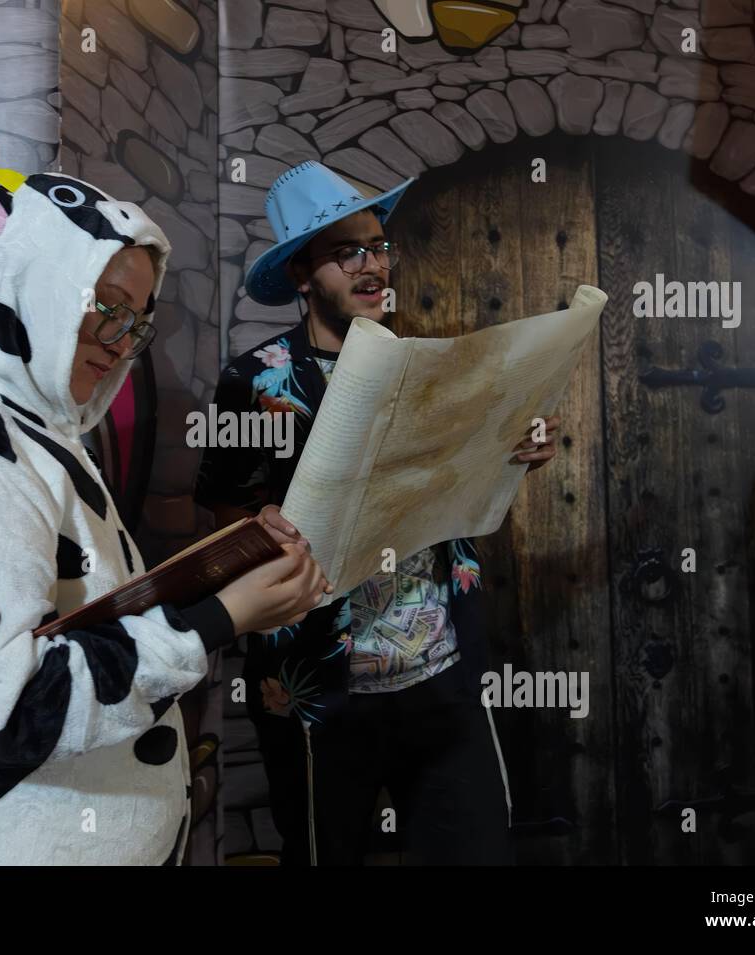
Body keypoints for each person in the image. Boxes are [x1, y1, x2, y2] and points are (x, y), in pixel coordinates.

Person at [0, 171, 328, 865]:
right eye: (106, 306)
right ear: (26, 278)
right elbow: (2, 711)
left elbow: (81, 616)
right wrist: (215, 618)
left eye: (137, 321)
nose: (123, 340)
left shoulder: (20, 425)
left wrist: (230, 572)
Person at [195, 161, 560, 865]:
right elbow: (223, 518)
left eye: (379, 245)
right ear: (303, 276)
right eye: (346, 251)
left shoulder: (430, 359)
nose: (373, 265)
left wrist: (517, 446)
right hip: (318, 690)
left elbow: (467, 476)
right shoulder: (252, 379)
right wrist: (267, 524)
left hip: (440, 670)